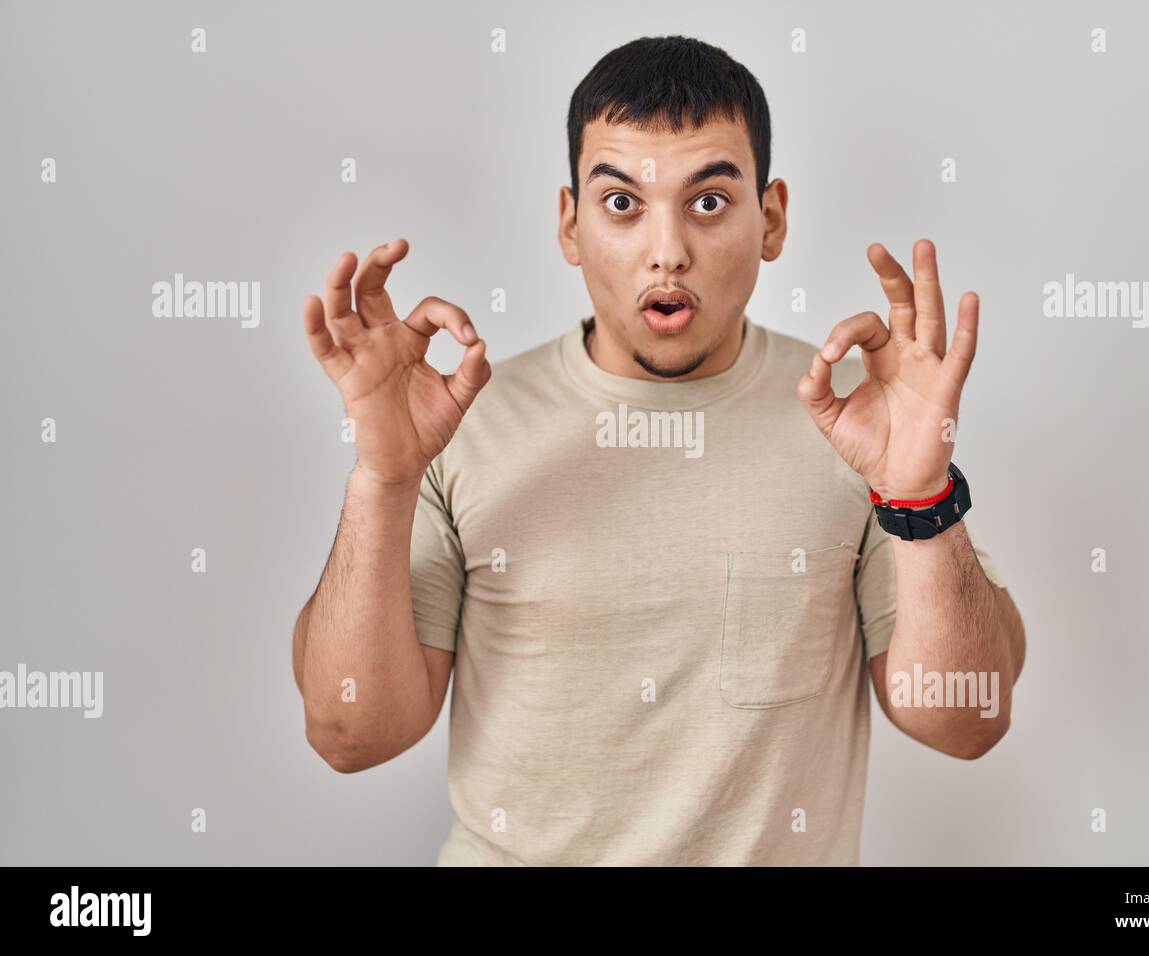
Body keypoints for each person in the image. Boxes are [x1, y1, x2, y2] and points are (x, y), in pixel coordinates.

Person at [292, 34, 1026, 866]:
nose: (667, 249)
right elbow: (350, 735)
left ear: (772, 217)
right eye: (622, 203)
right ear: (569, 224)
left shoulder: (857, 426)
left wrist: (920, 492)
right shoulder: (461, 426)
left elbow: (967, 723)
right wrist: (384, 479)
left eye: (708, 201)